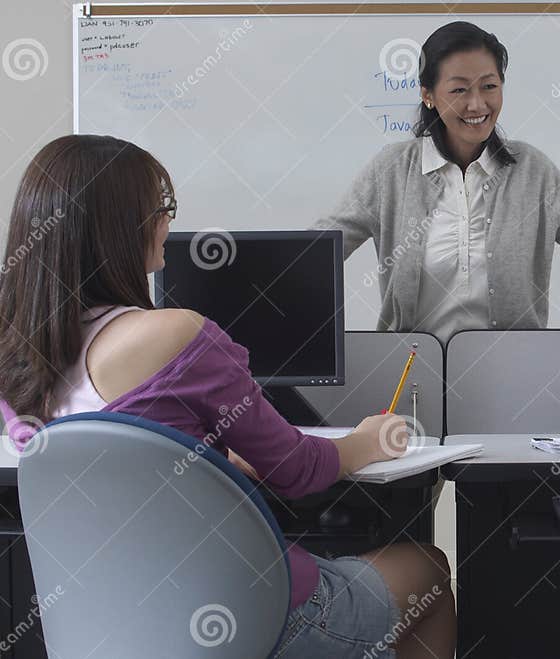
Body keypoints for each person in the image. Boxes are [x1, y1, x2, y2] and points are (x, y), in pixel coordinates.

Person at [0, 135, 455, 659]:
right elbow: (296, 469)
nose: (167, 226)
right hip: (244, 620)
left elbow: (122, 473)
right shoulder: (176, 335)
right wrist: (365, 441)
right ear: (120, 228)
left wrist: (208, 465)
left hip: (109, 632)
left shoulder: (18, 364)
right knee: (430, 571)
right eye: (161, 209)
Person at [314, 21, 560, 343]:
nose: (477, 105)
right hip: (409, 377)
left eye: (489, 86)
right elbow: (317, 252)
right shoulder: (393, 169)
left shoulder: (533, 171)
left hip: (514, 373)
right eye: (459, 90)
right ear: (428, 95)